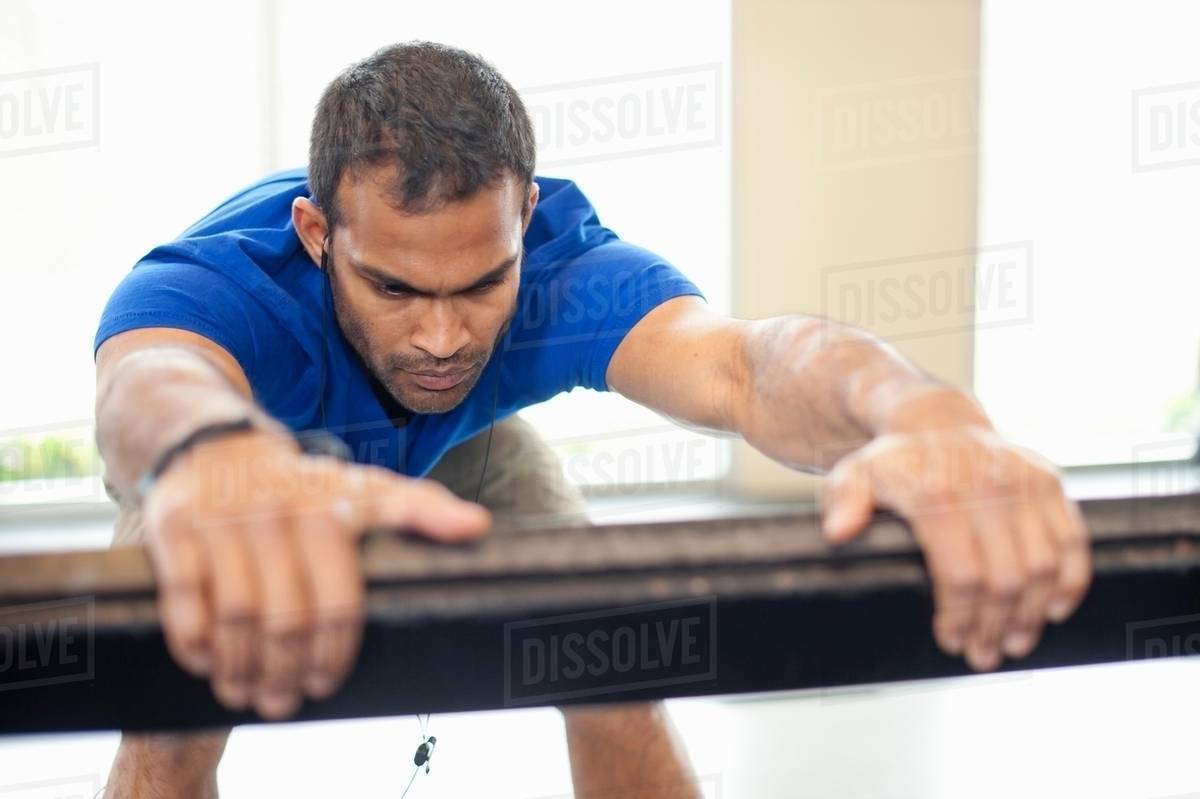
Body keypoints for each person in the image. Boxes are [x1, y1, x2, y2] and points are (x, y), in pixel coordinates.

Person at [92, 41, 1090, 798]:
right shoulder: (224, 284)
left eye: (482, 284)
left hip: (460, 446)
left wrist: (923, 411)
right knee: (175, 699)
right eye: (394, 287)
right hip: (232, 457)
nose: (443, 337)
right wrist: (211, 452)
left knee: (614, 652)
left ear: (524, 216)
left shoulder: (563, 267)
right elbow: (149, 383)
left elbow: (747, 362)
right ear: (317, 235)